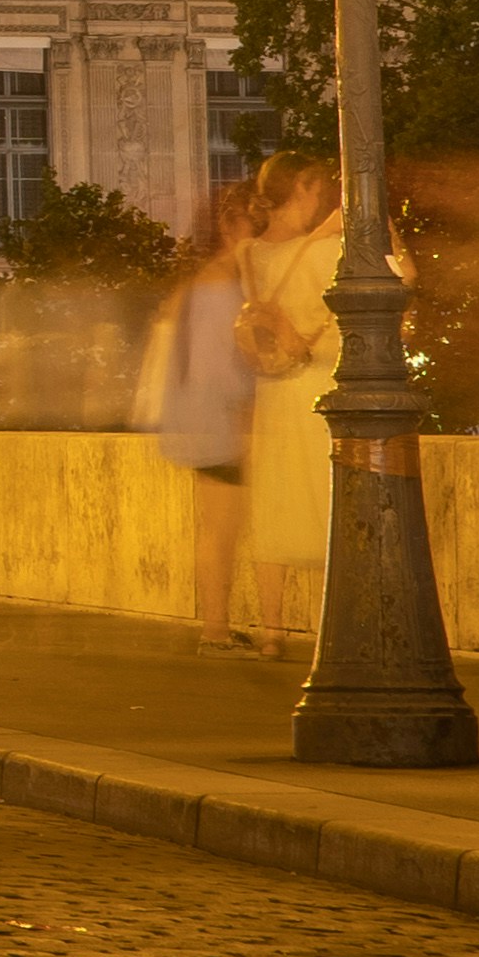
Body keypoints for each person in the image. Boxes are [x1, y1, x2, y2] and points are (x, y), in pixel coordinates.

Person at [135, 188, 261, 651]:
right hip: (221, 422)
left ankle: (217, 626)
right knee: (222, 529)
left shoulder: (196, 285)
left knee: (218, 528)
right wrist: (245, 411)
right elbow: (218, 367)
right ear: (228, 229)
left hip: (199, 419)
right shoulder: (221, 288)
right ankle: (216, 629)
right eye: (252, 224)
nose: (258, 234)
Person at [234, 159, 350, 657]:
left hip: (274, 387)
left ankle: (272, 629)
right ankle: (333, 627)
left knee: (275, 501)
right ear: (301, 188)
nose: (319, 201)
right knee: (327, 501)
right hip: (320, 382)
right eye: (316, 191)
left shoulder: (250, 253)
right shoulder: (327, 250)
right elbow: (403, 276)